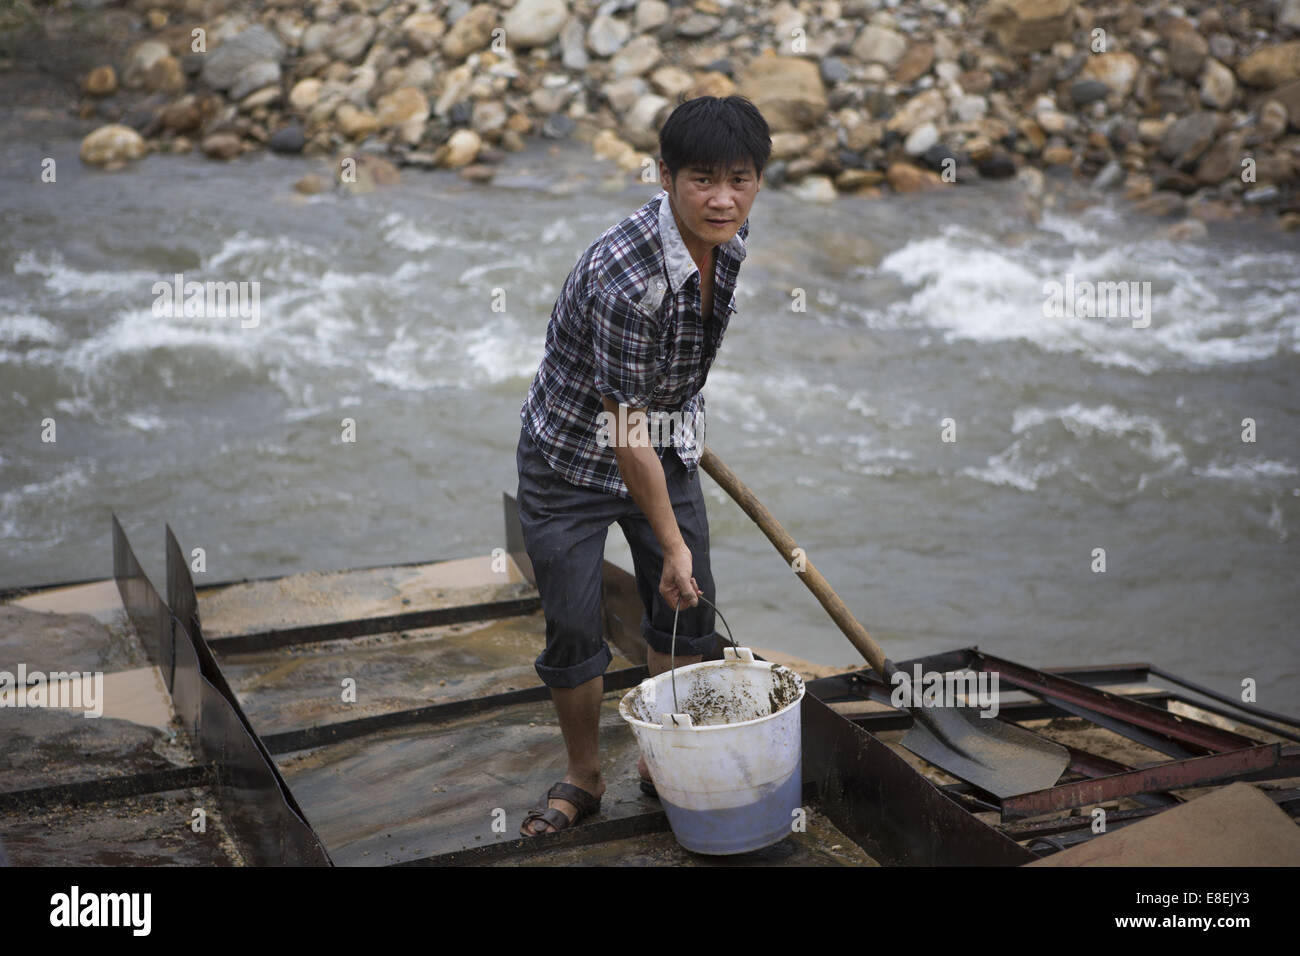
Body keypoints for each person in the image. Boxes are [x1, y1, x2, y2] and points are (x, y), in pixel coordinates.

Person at [514, 95, 771, 836]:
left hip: (664, 438)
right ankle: (584, 775)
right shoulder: (627, 280)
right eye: (701, 180)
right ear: (665, 177)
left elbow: (669, 378)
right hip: (571, 461)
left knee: (687, 608)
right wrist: (674, 538)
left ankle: (662, 758)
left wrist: (678, 418)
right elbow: (624, 431)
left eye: (739, 179)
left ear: (757, 181)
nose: (722, 198)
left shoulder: (731, 233)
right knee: (572, 626)